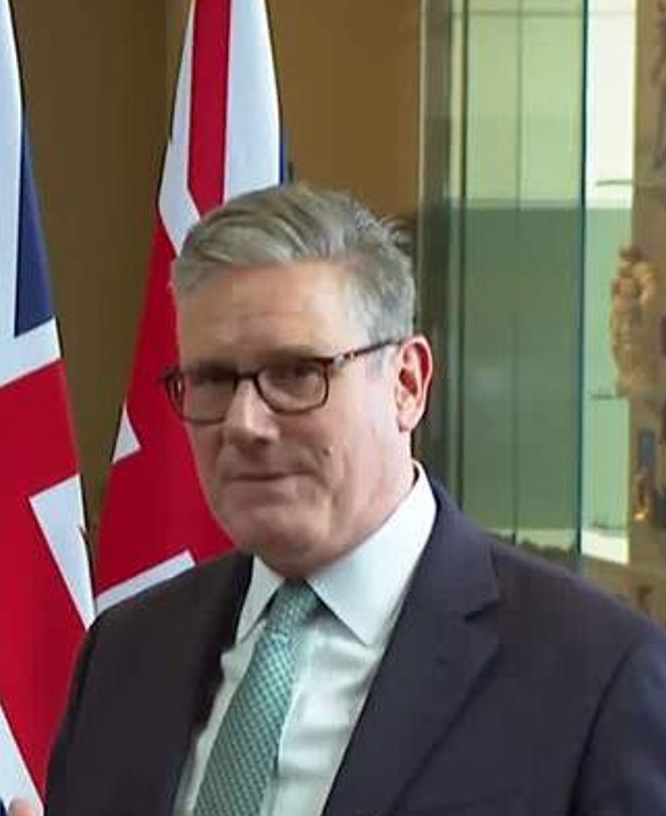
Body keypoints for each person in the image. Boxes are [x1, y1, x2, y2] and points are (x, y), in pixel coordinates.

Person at [33, 184, 666, 815]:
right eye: (213, 380)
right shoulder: (125, 653)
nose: (245, 423)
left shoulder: (595, 673)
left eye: (296, 374)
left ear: (407, 385)